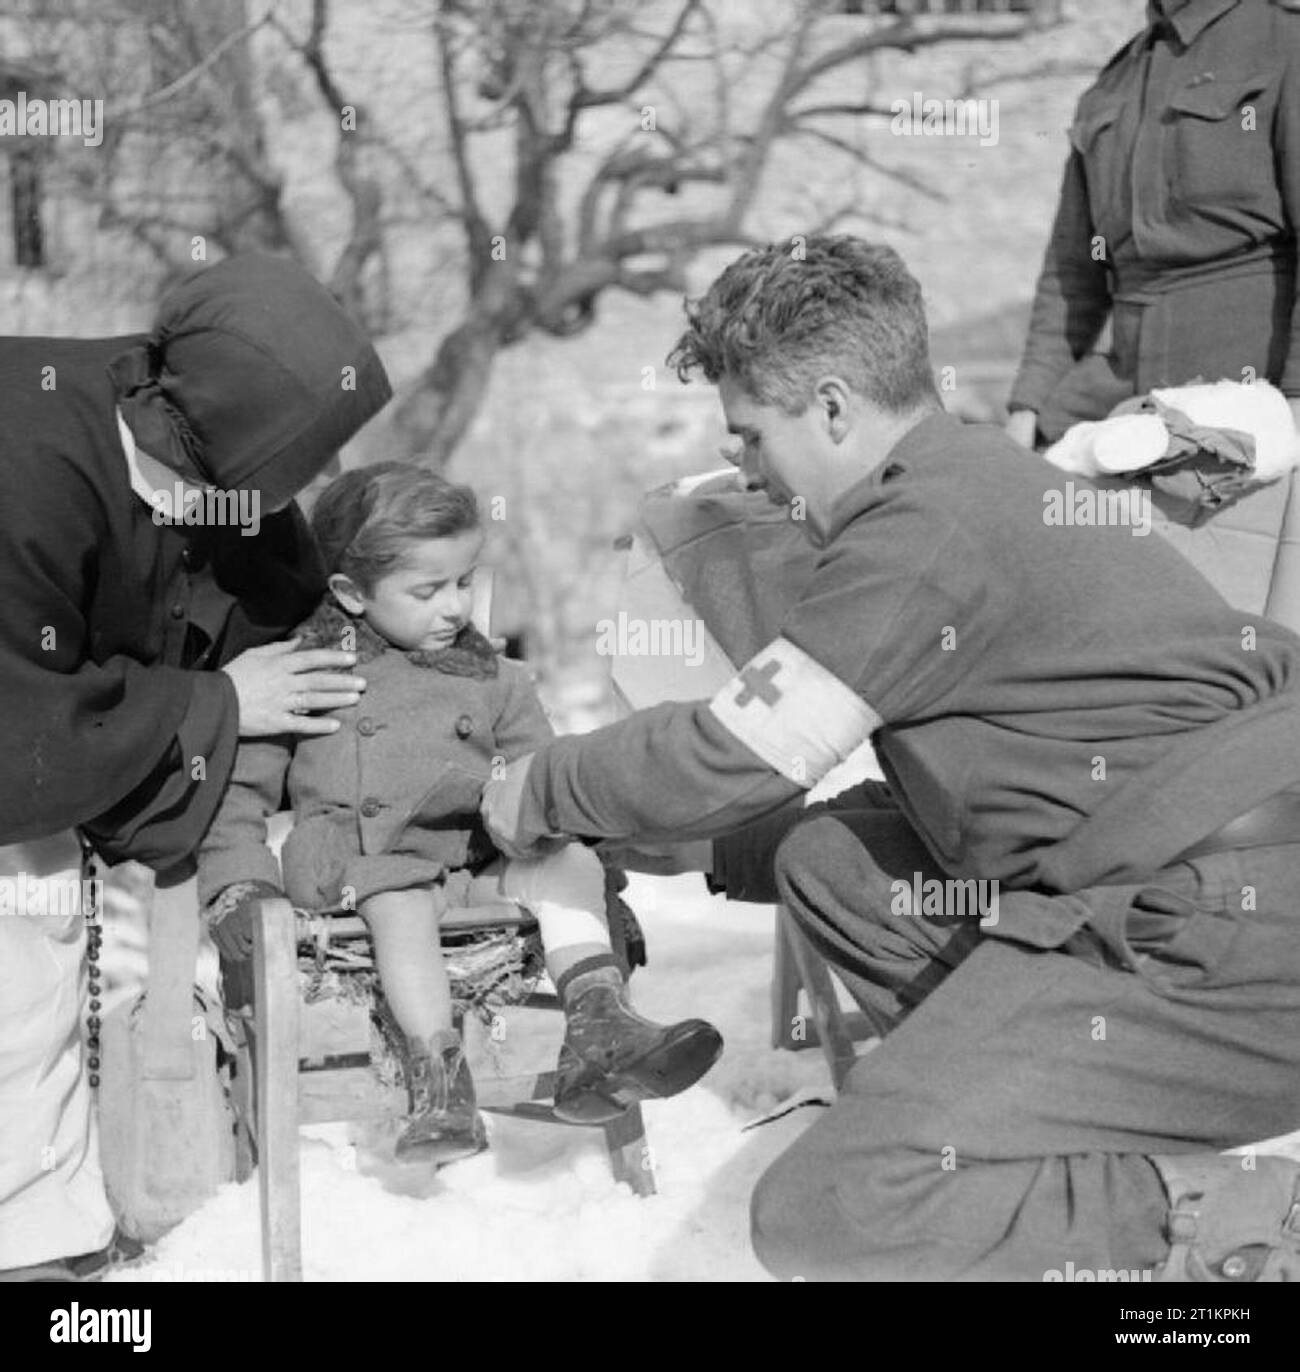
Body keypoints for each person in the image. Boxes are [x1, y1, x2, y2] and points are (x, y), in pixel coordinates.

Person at [481, 234, 1300, 1282]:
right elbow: (936, 786)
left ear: (830, 406)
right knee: (832, 856)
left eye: (751, 437)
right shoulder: (973, 479)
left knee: (830, 1207)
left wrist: (545, 783)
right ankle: (1029, 1148)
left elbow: (736, 747)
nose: (744, 469)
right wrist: (691, 846)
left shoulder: (919, 529)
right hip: (1207, 892)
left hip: (1215, 942)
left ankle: (1241, 1223)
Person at [0, 253, 392, 1279]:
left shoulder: (208, 443)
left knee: (35, 968)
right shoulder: (25, 461)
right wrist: (223, 703)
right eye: (302, 458)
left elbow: (278, 596)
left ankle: (40, 1243)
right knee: (15, 963)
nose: (309, 483)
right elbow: (18, 724)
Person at [198, 463, 723, 1163]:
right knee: (401, 893)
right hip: (359, 870)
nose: (455, 606)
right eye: (428, 589)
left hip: (472, 865)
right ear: (352, 595)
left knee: (566, 861)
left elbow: (544, 781)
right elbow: (238, 797)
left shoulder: (496, 680)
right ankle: (438, 1076)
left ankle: (601, 1030)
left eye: (465, 580)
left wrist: (595, 883)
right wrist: (241, 886)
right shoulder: (308, 671)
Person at [1007, 0, 1300, 450]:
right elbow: (1073, 272)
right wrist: (1028, 406)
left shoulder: (1284, 43)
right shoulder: (1112, 82)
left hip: (1248, 396)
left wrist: (1296, 404)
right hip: (1124, 397)